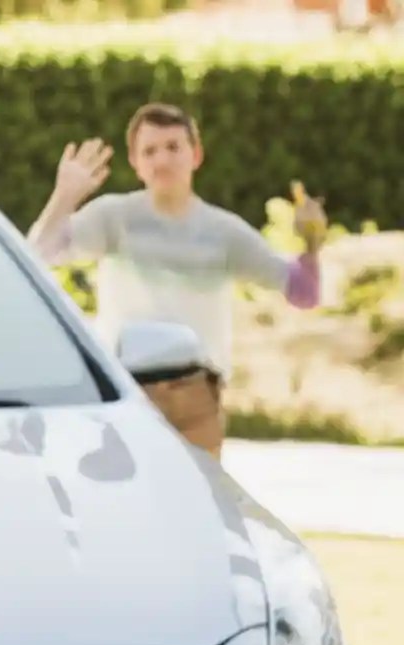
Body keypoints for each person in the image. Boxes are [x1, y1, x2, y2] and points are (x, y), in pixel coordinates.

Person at [26, 102, 327, 458]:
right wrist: (65, 196)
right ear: (136, 163)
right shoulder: (114, 217)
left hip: (197, 399)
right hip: (127, 392)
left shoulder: (224, 232)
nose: (162, 160)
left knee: (198, 508)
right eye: (149, 151)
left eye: (173, 147)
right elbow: (36, 258)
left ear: (196, 155)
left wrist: (311, 244)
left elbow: (304, 293)